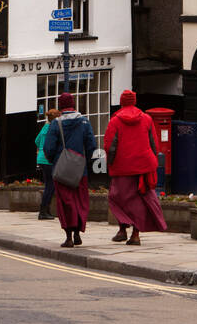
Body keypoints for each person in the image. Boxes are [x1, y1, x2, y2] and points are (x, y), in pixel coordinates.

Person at [104, 90, 168, 246]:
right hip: (143, 166)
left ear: (121, 102)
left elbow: (110, 145)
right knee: (140, 199)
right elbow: (154, 142)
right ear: (134, 101)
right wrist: (153, 160)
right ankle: (135, 233)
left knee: (117, 198)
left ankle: (122, 229)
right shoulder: (146, 119)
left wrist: (110, 163)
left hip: (122, 166)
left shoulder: (115, 121)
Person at [42, 91, 97, 248]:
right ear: (73, 104)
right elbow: (92, 146)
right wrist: (82, 160)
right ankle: (78, 233)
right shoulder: (84, 122)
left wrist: (56, 162)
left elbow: (48, 148)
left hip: (62, 170)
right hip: (81, 171)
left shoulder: (55, 124)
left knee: (66, 202)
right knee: (80, 200)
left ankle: (69, 237)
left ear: (61, 105)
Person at [35, 107, 61, 220]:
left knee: (49, 185)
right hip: (48, 159)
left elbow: (36, 140)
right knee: (50, 186)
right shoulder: (53, 128)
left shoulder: (45, 127)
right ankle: (43, 211)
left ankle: (46, 210)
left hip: (41, 158)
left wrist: (40, 148)